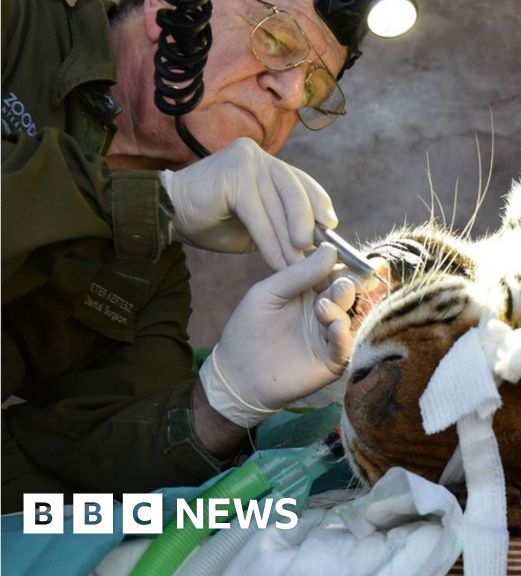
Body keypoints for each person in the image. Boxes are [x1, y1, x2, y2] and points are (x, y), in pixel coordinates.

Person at [1, 0, 386, 512]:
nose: (291, 93)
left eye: (313, 89)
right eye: (275, 40)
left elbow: (75, 477)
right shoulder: (19, 24)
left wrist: (226, 401)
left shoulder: (149, 270)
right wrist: (148, 202)